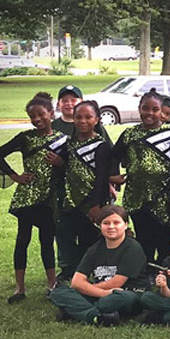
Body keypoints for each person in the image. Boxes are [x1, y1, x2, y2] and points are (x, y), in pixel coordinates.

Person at [0, 92, 68, 301]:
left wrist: (60, 163)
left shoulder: (62, 140)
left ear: (51, 113)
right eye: (33, 116)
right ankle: (19, 288)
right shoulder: (25, 138)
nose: (37, 119)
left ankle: (52, 284)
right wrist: (16, 176)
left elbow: (70, 169)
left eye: (41, 114)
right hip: (27, 197)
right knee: (22, 239)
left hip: (49, 198)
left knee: (47, 239)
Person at [110, 90, 170, 265]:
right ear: (139, 109)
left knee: (164, 237)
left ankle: (164, 270)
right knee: (144, 236)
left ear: (162, 111)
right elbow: (113, 156)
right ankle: (146, 270)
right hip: (136, 197)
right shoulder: (129, 134)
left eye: (155, 109)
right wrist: (113, 176)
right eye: (145, 108)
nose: (150, 113)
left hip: (164, 197)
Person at [49, 204, 145, 326]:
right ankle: (97, 316)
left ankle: (74, 311)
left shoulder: (133, 248)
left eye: (116, 223)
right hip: (102, 294)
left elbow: (116, 283)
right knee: (58, 293)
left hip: (126, 294)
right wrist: (101, 293)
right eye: (106, 223)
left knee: (119, 298)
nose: (111, 227)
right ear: (100, 226)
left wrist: (88, 289)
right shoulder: (95, 249)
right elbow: (76, 282)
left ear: (125, 225)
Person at [53, 100, 112, 284]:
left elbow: (102, 178)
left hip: (92, 202)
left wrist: (96, 205)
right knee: (69, 239)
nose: (83, 121)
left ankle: (92, 271)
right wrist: (59, 163)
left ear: (97, 119)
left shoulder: (101, 145)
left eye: (88, 117)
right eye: (78, 117)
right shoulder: (68, 144)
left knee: (90, 239)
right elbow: (67, 168)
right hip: (71, 201)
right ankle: (71, 271)